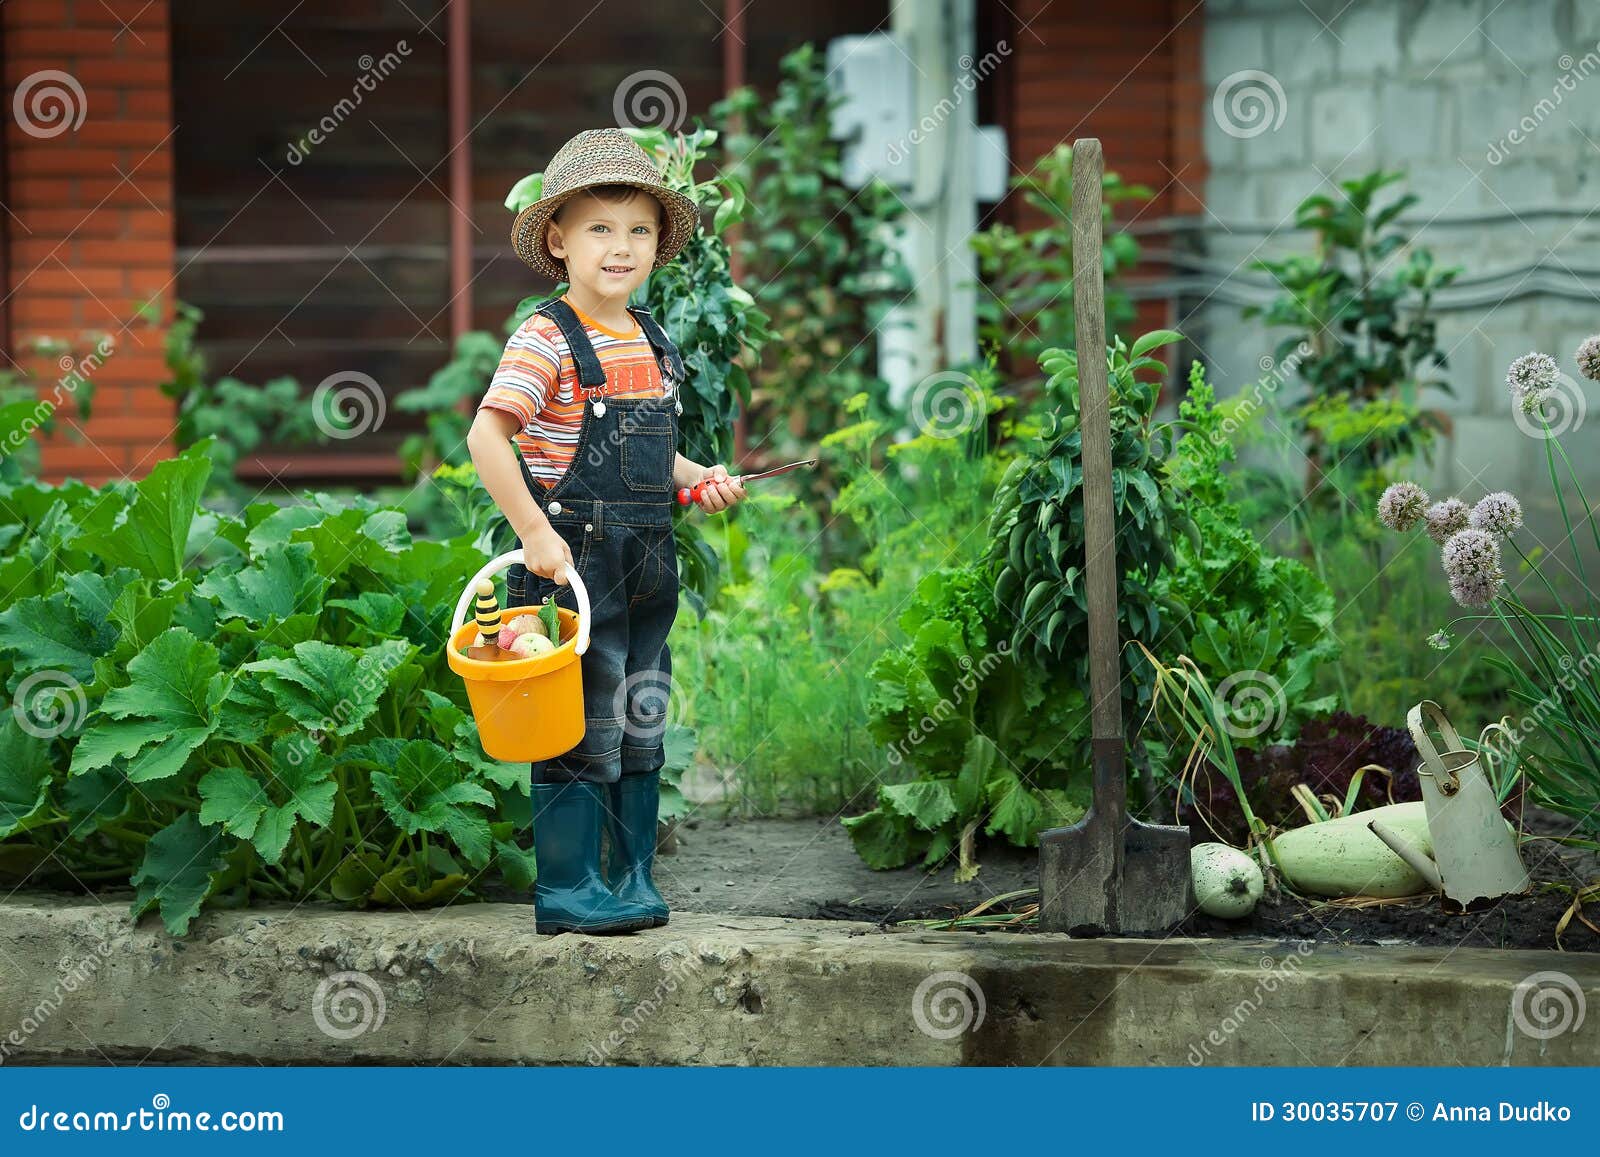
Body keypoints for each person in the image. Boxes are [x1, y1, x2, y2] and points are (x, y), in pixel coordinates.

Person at [466, 128, 745, 934]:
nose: (621, 247)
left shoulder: (651, 340)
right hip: (572, 565)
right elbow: (488, 437)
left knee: (639, 713)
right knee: (580, 724)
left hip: (647, 563)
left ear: (659, 245)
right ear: (557, 240)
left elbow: (654, 454)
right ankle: (567, 886)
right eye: (599, 228)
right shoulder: (546, 337)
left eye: (639, 231)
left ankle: (630, 878)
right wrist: (533, 533)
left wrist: (701, 478)